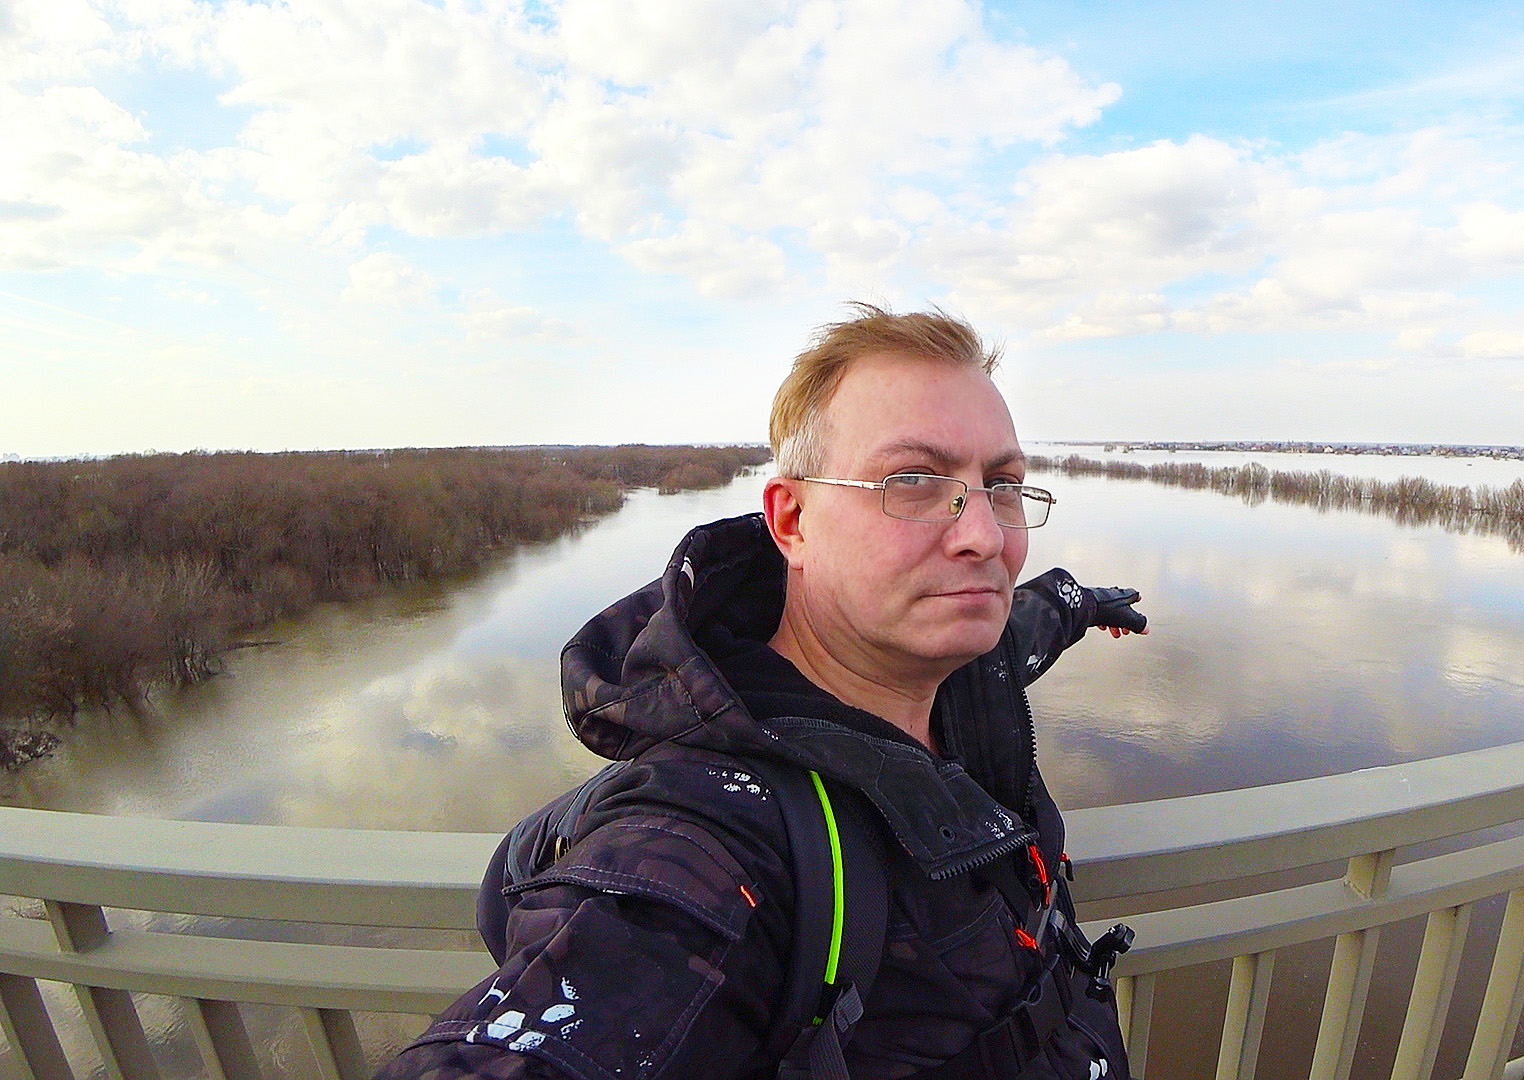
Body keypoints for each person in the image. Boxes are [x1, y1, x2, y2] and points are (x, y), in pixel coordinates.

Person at [379, 304, 1149, 1080]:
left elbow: (1021, 632)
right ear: (792, 520)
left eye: (1002, 485)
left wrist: (1080, 603)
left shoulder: (957, 665)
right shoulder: (711, 838)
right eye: (913, 481)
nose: (984, 534)